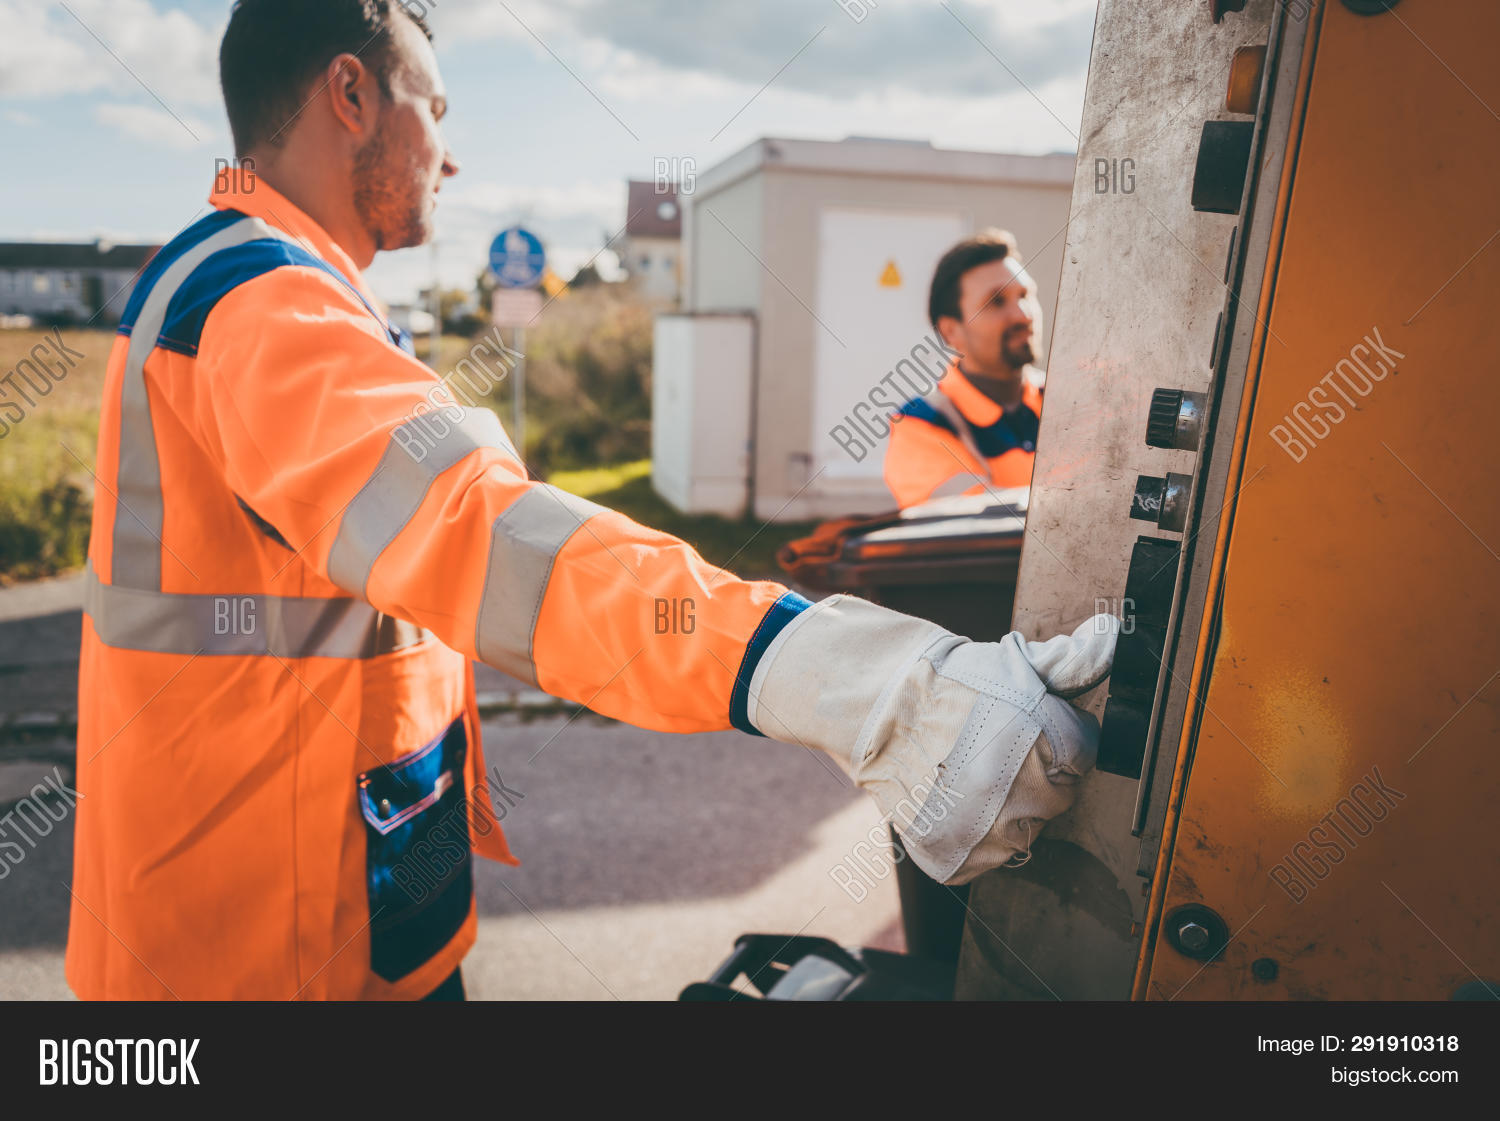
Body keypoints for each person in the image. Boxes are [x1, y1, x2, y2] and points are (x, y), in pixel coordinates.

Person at [67, 0, 1117, 1000]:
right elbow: (500, 543)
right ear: (351, 95)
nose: (452, 149)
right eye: (435, 108)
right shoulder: (259, 305)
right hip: (263, 959)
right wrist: (855, 683)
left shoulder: (260, 290)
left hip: (316, 921)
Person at [883, 230, 1048, 509]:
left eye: (1025, 295)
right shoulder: (920, 423)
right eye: (996, 301)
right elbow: (978, 530)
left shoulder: (1070, 400)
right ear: (951, 331)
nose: (1023, 314)